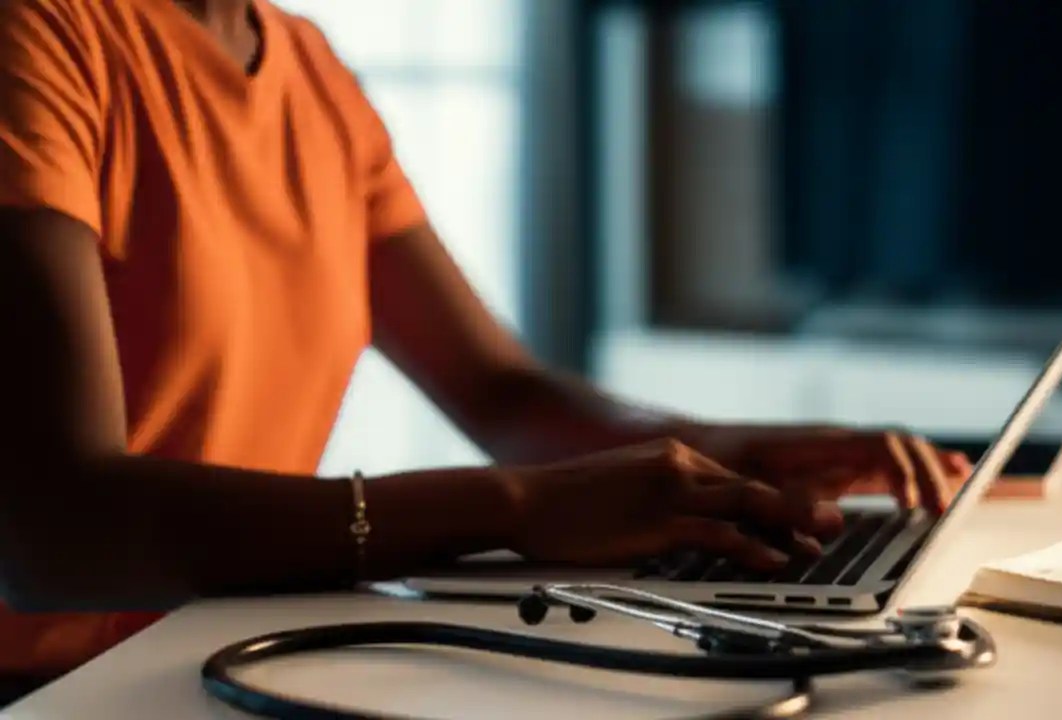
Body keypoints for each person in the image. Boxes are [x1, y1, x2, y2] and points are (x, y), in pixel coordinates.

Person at [0, 0, 970, 698]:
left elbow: (497, 391)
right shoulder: (43, 38)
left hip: (215, 655)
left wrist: (722, 454)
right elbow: (49, 536)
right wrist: (512, 507)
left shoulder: (307, 70)